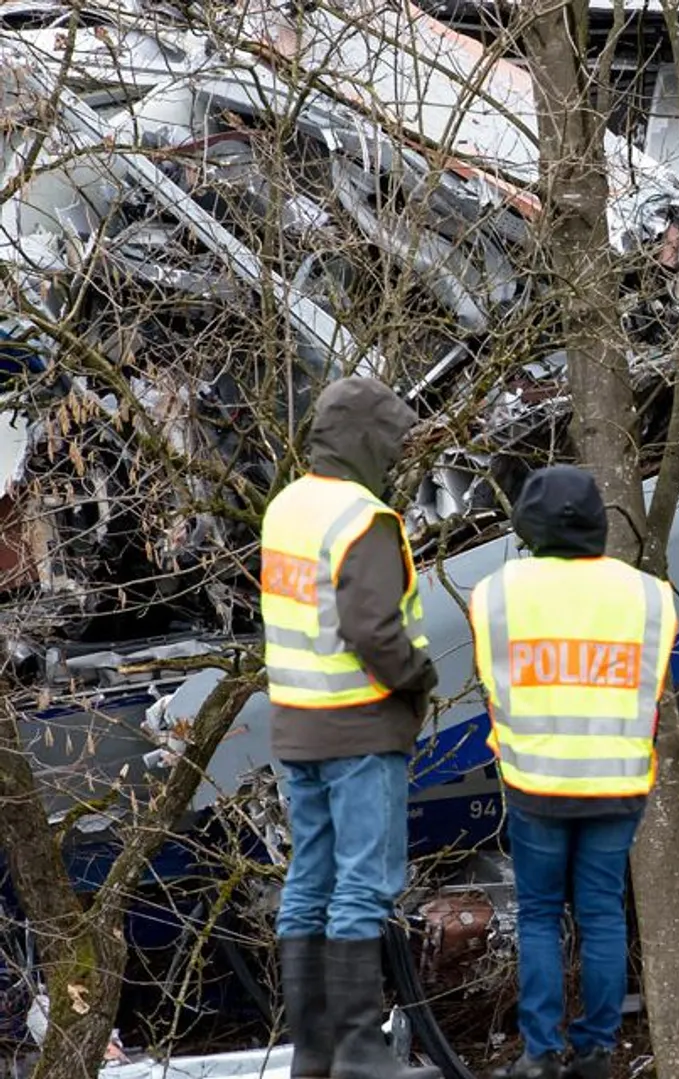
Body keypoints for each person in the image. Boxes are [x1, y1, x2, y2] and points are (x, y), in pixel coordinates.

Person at [467, 465, 678, 1079]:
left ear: (528, 526)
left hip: (535, 783)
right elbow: (655, 684)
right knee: (603, 913)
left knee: (537, 915)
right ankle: (595, 1054)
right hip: (617, 781)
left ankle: (539, 1056)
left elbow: (489, 679)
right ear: (596, 523)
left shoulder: (496, 593)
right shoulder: (649, 596)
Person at [263, 377, 441, 1079]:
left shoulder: (286, 508)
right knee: (365, 882)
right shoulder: (363, 518)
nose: (396, 454)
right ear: (367, 440)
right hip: (361, 726)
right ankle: (364, 1050)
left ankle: (315, 1050)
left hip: (296, 726)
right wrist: (417, 675)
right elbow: (374, 628)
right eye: (391, 439)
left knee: (308, 881)